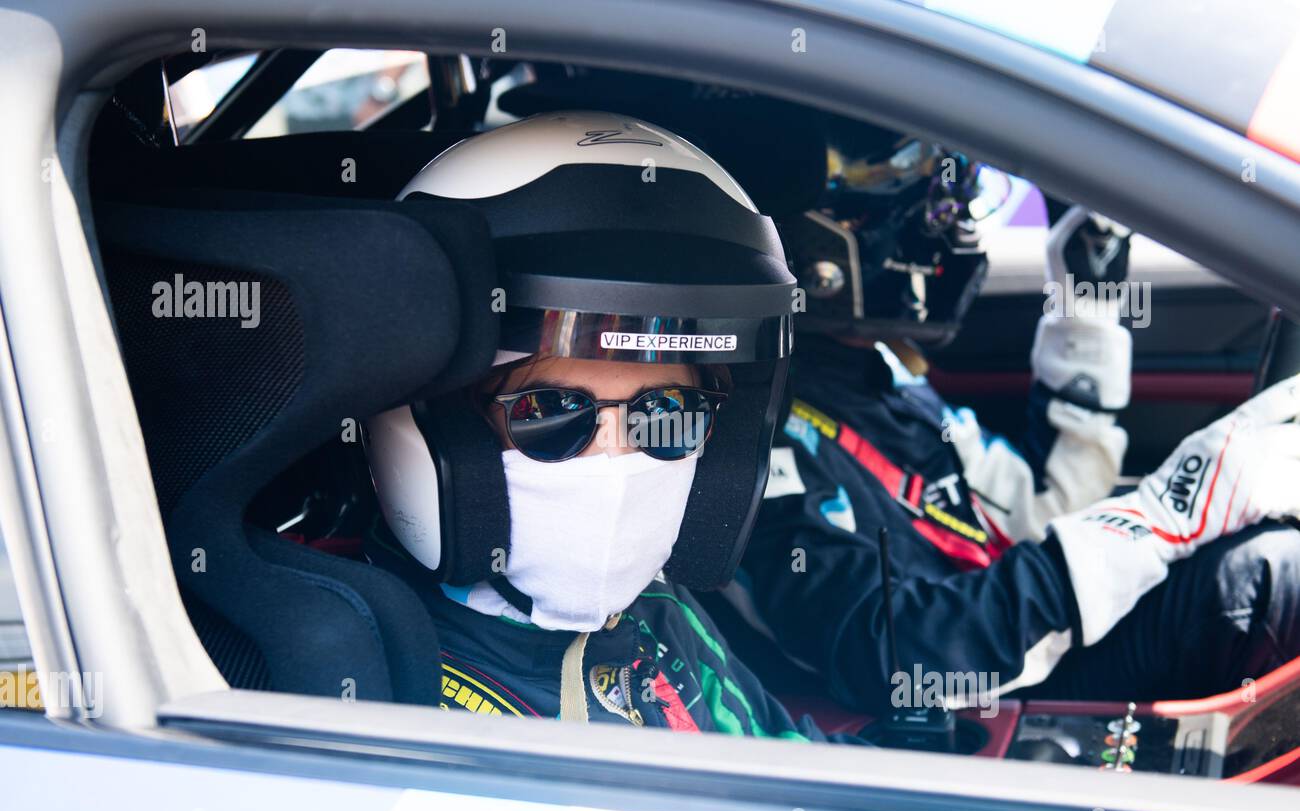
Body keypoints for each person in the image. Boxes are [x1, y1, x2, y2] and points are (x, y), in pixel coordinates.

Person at [730, 134, 1300, 710]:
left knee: (1258, 552)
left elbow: (1044, 512)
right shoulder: (745, 445)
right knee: (1264, 577)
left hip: (1011, 654)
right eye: (939, 209)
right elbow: (891, 659)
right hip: (957, 719)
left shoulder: (881, 378)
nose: (960, 229)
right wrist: (1163, 517)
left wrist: (1087, 310)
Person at [362, 111, 866, 741]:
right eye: (549, 414)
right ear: (437, 427)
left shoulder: (661, 616)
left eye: (666, 416)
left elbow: (796, 769)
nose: (615, 460)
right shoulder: (376, 686)